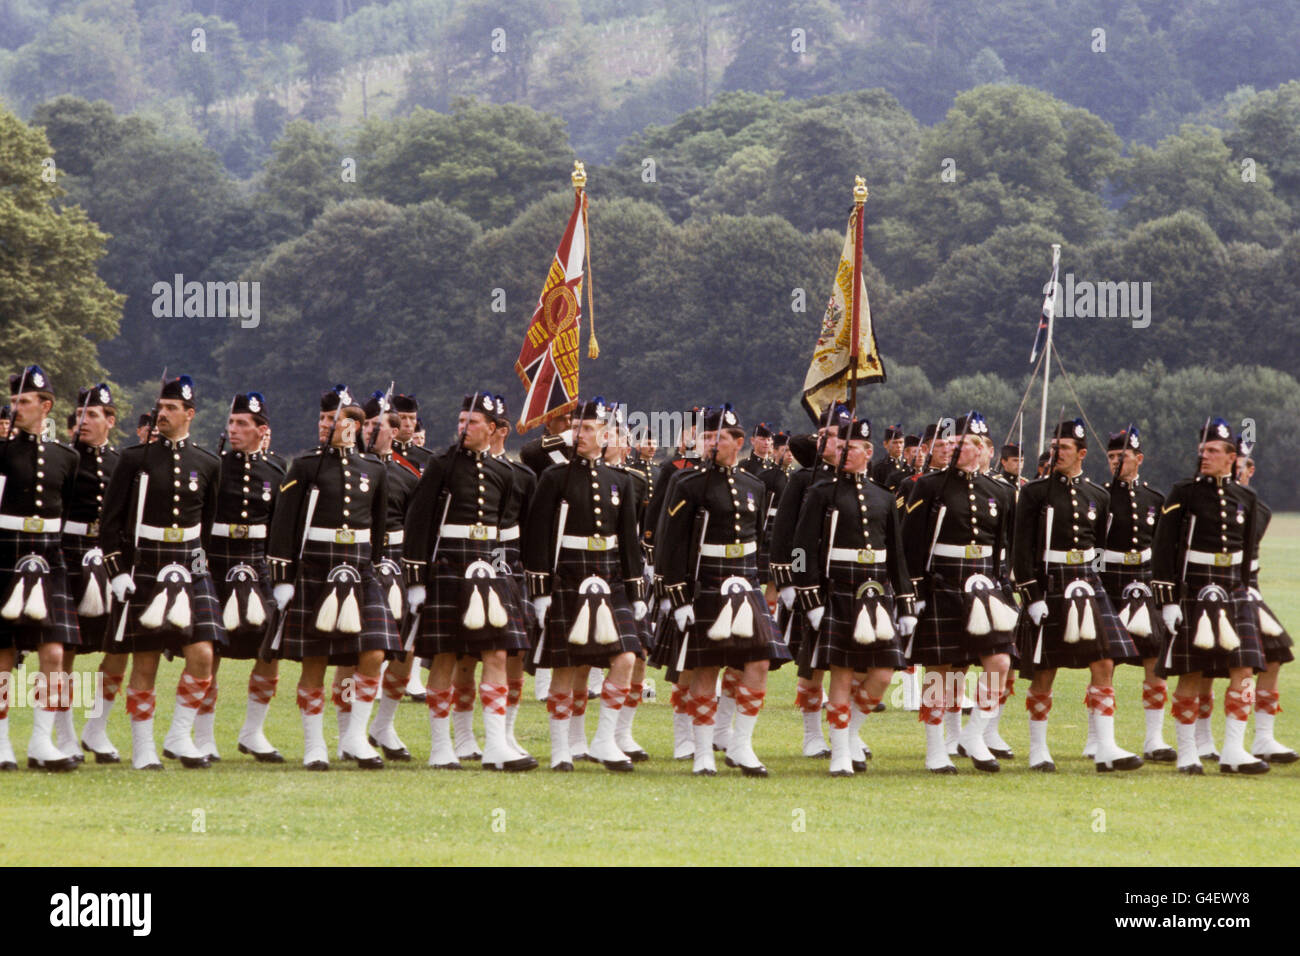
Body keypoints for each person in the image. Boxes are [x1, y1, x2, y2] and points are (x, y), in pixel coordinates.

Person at [266, 385, 398, 771]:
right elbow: (284, 524)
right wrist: (283, 576)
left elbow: (377, 526)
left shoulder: (373, 468)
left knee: (373, 653)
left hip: (359, 569)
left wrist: (373, 566)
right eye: (328, 420)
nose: (333, 426)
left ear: (356, 427)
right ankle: (314, 744)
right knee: (315, 660)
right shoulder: (306, 466)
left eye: (341, 420)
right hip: (316, 569)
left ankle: (355, 736)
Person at [403, 392, 537, 772]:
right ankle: (440, 747)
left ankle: (495, 745)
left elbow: (501, 531)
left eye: (473, 422)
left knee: (496, 653)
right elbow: (419, 522)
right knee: (445, 655)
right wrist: (416, 579)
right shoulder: (441, 465)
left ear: (492, 429)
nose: (464, 428)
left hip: (487, 572)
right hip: (447, 567)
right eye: (462, 421)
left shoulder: (505, 473)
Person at [657, 404, 792, 776]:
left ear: (739, 442)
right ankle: (702, 751)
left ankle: (740, 744)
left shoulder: (755, 486)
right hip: (707, 583)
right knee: (706, 667)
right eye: (706, 436)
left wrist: (766, 584)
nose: (711, 443)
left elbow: (759, 539)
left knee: (760, 662)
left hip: (744, 583)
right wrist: (678, 596)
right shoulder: (687, 484)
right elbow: (671, 545)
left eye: (719, 437)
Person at [101, 375, 225, 770]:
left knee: (204, 653)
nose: (163, 414)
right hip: (145, 565)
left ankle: (179, 735)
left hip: (190, 565)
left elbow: (206, 525)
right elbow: (110, 523)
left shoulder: (207, 463)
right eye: (161, 407)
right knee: (146, 660)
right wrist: (117, 570)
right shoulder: (134, 459)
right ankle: (143, 749)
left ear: (189, 414)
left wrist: (201, 570)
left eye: (172, 408)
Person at [524, 397, 646, 772]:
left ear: (606, 435)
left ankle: (604, 740)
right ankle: (562, 748)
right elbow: (537, 538)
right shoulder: (554, 478)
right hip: (569, 578)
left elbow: (628, 540)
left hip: (610, 580)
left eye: (589, 428)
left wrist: (636, 590)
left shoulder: (621, 481)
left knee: (626, 657)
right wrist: (540, 591)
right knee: (567, 665)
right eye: (577, 427)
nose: (579, 434)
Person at [1014, 419, 1142, 773]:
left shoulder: (1098, 496)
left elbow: (1098, 547)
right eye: (1053, 446)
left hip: (1088, 583)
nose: (1056, 452)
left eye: (1064, 448)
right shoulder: (1035, 493)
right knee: (1045, 669)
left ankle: (1105, 747)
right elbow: (1020, 547)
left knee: (1104, 662)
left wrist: (1097, 581)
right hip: (1049, 583)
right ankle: (1038, 749)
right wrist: (1031, 593)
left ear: (1082, 453)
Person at [793, 418, 916, 776]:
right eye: (841, 448)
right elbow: (801, 549)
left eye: (852, 449)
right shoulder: (821, 492)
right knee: (842, 676)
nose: (844, 454)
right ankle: (840, 754)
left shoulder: (883, 496)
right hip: (838, 591)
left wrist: (906, 601)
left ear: (868, 452)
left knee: (881, 675)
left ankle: (850, 735)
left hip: (876, 593)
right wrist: (809, 596)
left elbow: (896, 553)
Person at [1152, 419, 1269, 775]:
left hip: (1234, 591)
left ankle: (1234, 749)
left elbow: (1248, 553)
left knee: (1245, 671)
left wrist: (1248, 589)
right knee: (1192, 670)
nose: (1205, 456)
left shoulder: (1245, 497)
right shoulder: (1183, 493)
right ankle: (1187, 752)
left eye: (1213, 451)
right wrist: (1167, 599)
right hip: (1194, 590)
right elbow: (1163, 548)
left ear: (1231, 457)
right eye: (1203, 450)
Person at [903, 413, 1017, 773]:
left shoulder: (1000, 491)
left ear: (982, 449)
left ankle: (974, 734)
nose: (956, 447)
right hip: (942, 582)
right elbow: (911, 543)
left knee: (1000, 662)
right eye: (955, 442)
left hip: (984, 585)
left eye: (965, 442)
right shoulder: (930, 486)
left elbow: (1005, 545)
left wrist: (1005, 586)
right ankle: (936, 749)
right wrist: (915, 592)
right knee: (943, 671)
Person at [0, 365, 82, 771]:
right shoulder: (1, 451)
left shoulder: (67, 457)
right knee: (2, 652)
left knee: (53, 650)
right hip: (4, 553)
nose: (16, 408)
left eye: (24, 402)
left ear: (45, 406)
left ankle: (41, 742)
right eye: (13, 401)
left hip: (48, 556)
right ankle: (1, 745)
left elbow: (65, 508)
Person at [768, 405, 847, 761]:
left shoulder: (860, 481)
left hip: (849, 582)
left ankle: (848, 733)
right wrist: (793, 580)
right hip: (811, 583)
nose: (834, 443)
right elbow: (787, 536)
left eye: (839, 436)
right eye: (828, 436)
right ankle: (812, 735)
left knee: (855, 663)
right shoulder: (802, 480)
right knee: (812, 662)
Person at [1099, 427, 1174, 762]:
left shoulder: (1154, 499)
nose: (1116, 462)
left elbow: (1162, 547)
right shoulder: (1100, 496)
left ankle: (1154, 739)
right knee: (1105, 660)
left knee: (1154, 659)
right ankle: (1097, 737)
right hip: (1108, 581)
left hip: (1144, 582)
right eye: (1112, 457)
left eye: (1123, 456)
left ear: (1138, 459)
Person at [357, 391, 422, 763]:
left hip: (397, 564)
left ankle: (383, 724)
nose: (373, 431)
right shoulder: (348, 469)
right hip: (358, 561)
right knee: (356, 651)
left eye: (380, 425)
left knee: (404, 650)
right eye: (368, 424)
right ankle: (349, 730)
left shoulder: (408, 475)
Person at [60, 384, 123, 764]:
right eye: (80, 414)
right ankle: (64, 735)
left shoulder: (121, 463)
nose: (84, 421)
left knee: (118, 647)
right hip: (69, 555)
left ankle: (96, 729)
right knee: (63, 649)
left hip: (111, 559)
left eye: (93, 414)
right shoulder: (64, 458)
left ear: (110, 421)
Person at [1234, 438, 1296, 763]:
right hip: (1213, 593)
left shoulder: (1261, 512)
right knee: (1206, 671)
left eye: (1241, 466)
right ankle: (1203, 743)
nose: (1235, 471)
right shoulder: (1203, 503)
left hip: (1249, 594)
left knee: (1274, 657)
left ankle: (1263, 739)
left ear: (1250, 469)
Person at [391, 393, 432, 472]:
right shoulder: (381, 455)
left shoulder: (428, 458)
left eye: (412, 418)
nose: (408, 424)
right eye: (402, 418)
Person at [869, 424, 905, 488]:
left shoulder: (908, 464)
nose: (899, 446)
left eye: (901, 442)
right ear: (885, 444)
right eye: (895, 443)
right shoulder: (879, 467)